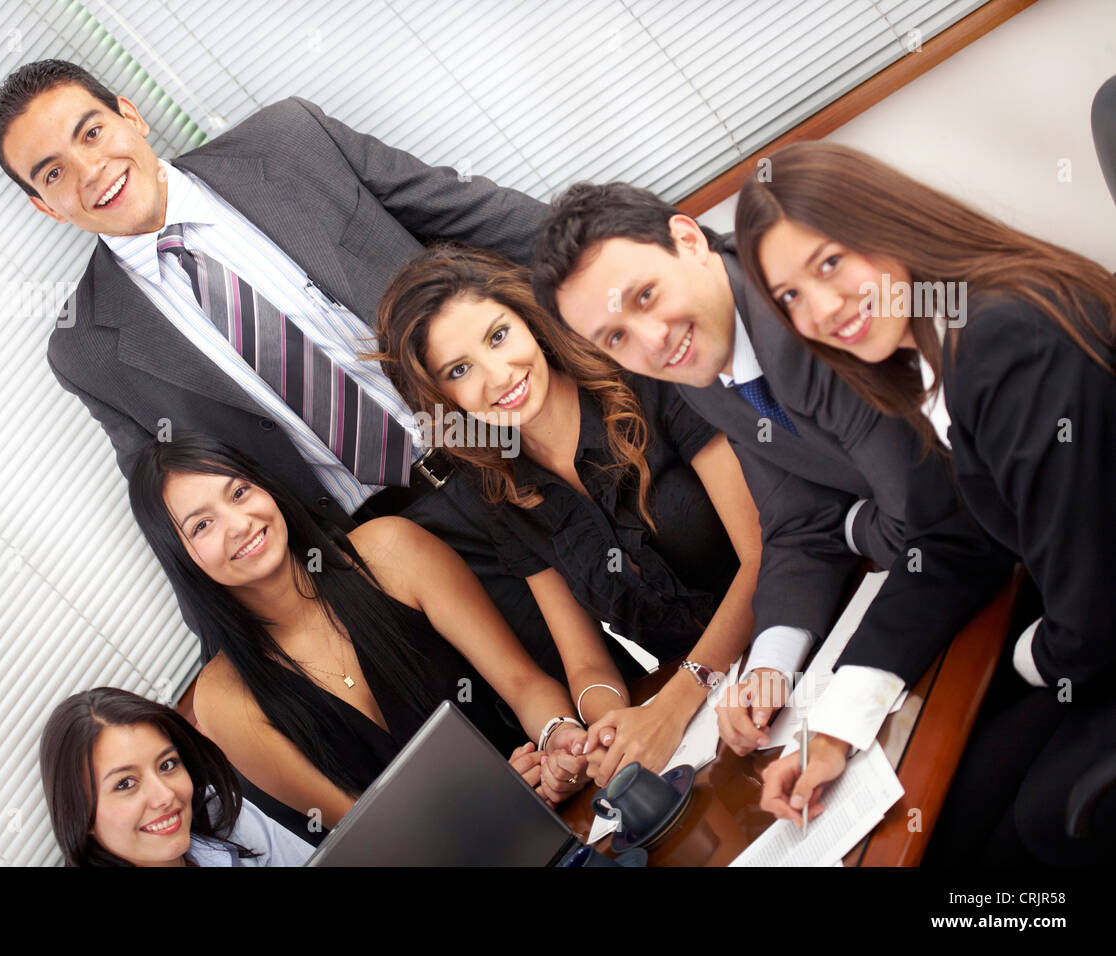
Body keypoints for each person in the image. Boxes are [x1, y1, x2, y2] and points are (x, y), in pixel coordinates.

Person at [0, 59, 553, 668]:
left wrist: (635, 259)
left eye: (90, 132)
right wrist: (238, 669)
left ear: (130, 114)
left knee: (657, 637)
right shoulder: (86, 349)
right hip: (383, 559)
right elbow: (173, 507)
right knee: (558, 729)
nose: (90, 170)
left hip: (509, 450)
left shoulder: (289, 142)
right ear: (46, 206)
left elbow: (487, 220)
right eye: (54, 172)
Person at [736, 141, 1115, 864]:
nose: (821, 310)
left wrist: (1026, 660)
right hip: (1085, 627)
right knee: (953, 806)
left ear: (887, 223)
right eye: (789, 296)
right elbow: (951, 541)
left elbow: (1092, 621)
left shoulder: (1004, 339)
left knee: (1015, 832)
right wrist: (834, 726)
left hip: (1093, 636)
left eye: (830, 263)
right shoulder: (931, 348)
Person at [529, 182, 923, 754]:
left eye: (645, 297)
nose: (654, 341)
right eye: (617, 337)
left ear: (688, 241)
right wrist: (768, 669)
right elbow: (796, 523)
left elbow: (920, 529)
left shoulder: (795, 307)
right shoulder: (703, 371)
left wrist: (849, 526)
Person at [373, 244, 763, 786]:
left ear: (529, 319)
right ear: (442, 397)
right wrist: (599, 731)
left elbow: (764, 555)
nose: (497, 374)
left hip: (794, 637)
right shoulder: (502, 492)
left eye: (498, 335)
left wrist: (677, 701)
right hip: (705, 717)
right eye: (460, 369)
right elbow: (586, 665)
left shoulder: (644, 376)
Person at [128, 432, 590, 839]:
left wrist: (559, 738)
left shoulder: (391, 549)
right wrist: (488, 810)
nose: (240, 523)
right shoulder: (223, 697)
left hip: (559, 807)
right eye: (202, 525)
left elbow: (524, 685)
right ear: (182, 557)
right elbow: (367, 835)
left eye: (240, 491)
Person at [39, 686, 313, 866]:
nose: (166, 795)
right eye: (125, 784)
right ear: (80, 814)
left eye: (167, 765)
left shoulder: (218, 812)